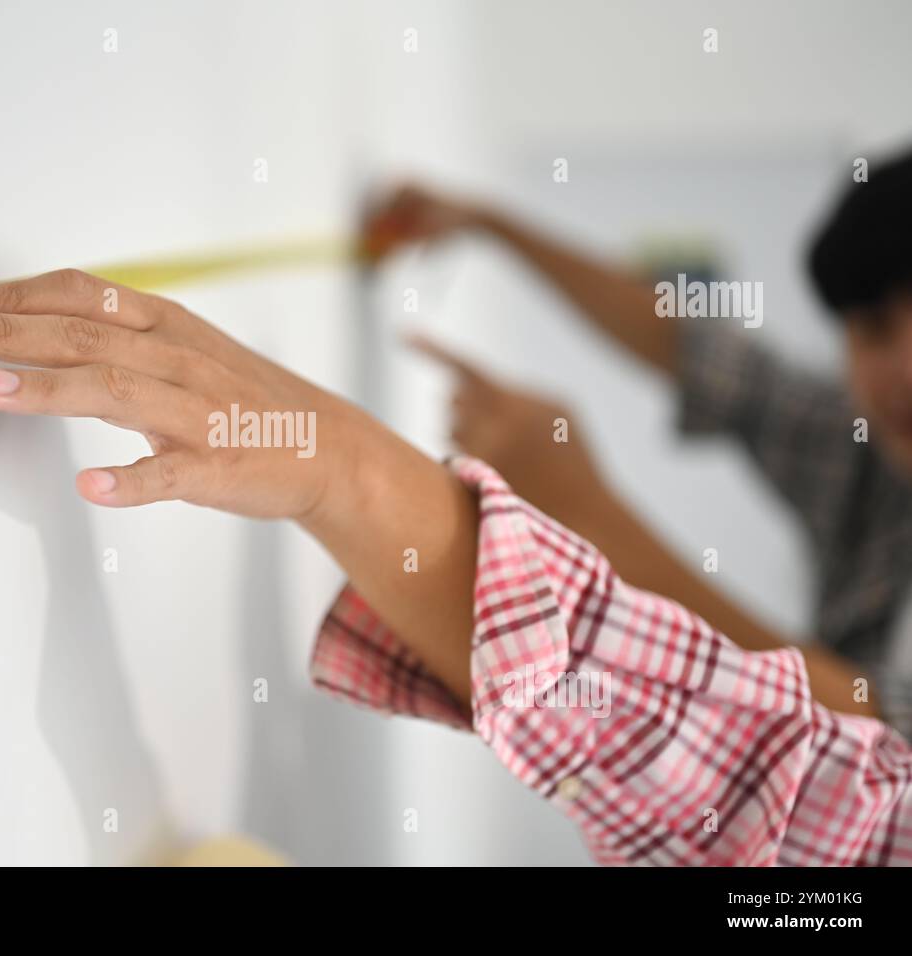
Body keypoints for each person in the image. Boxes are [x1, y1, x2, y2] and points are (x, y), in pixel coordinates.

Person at [0, 267, 911, 865]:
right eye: (869, 330)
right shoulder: (862, 454)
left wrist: (355, 474)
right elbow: (844, 719)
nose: (890, 365)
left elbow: (834, 810)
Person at [364, 152, 912, 739]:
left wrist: (587, 512)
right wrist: (489, 223)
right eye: (874, 327)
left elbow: (872, 747)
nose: (905, 368)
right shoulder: (864, 448)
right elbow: (696, 350)